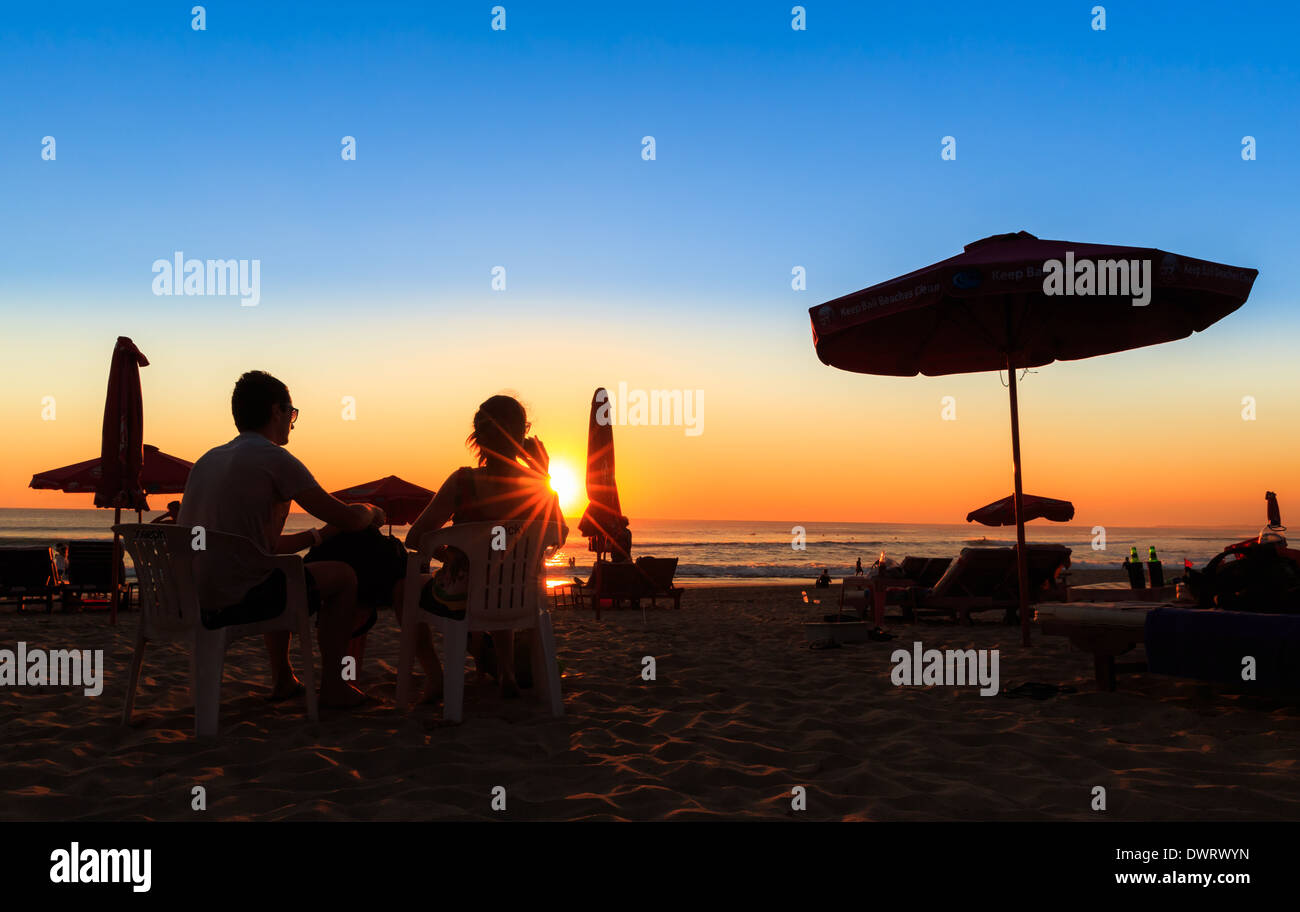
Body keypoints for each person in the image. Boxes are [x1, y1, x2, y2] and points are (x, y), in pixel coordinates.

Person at [178, 370, 385, 708]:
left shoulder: (206, 461)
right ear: (277, 411)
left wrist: (318, 536)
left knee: (282, 571)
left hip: (188, 597)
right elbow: (348, 517)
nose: (292, 421)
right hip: (236, 598)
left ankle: (283, 678)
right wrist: (370, 510)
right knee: (344, 578)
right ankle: (335, 685)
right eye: (292, 412)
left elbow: (263, 548)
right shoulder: (275, 459)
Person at [401, 394, 567, 704]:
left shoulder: (463, 482)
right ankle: (505, 672)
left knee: (405, 590)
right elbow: (558, 535)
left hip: (465, 595)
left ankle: (435, 677)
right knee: (498, 577)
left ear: (477, 435)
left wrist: (449, 556)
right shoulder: (537, 486)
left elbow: (415, 538)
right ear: (523, 433)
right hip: (521, 597)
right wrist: (543, 474)